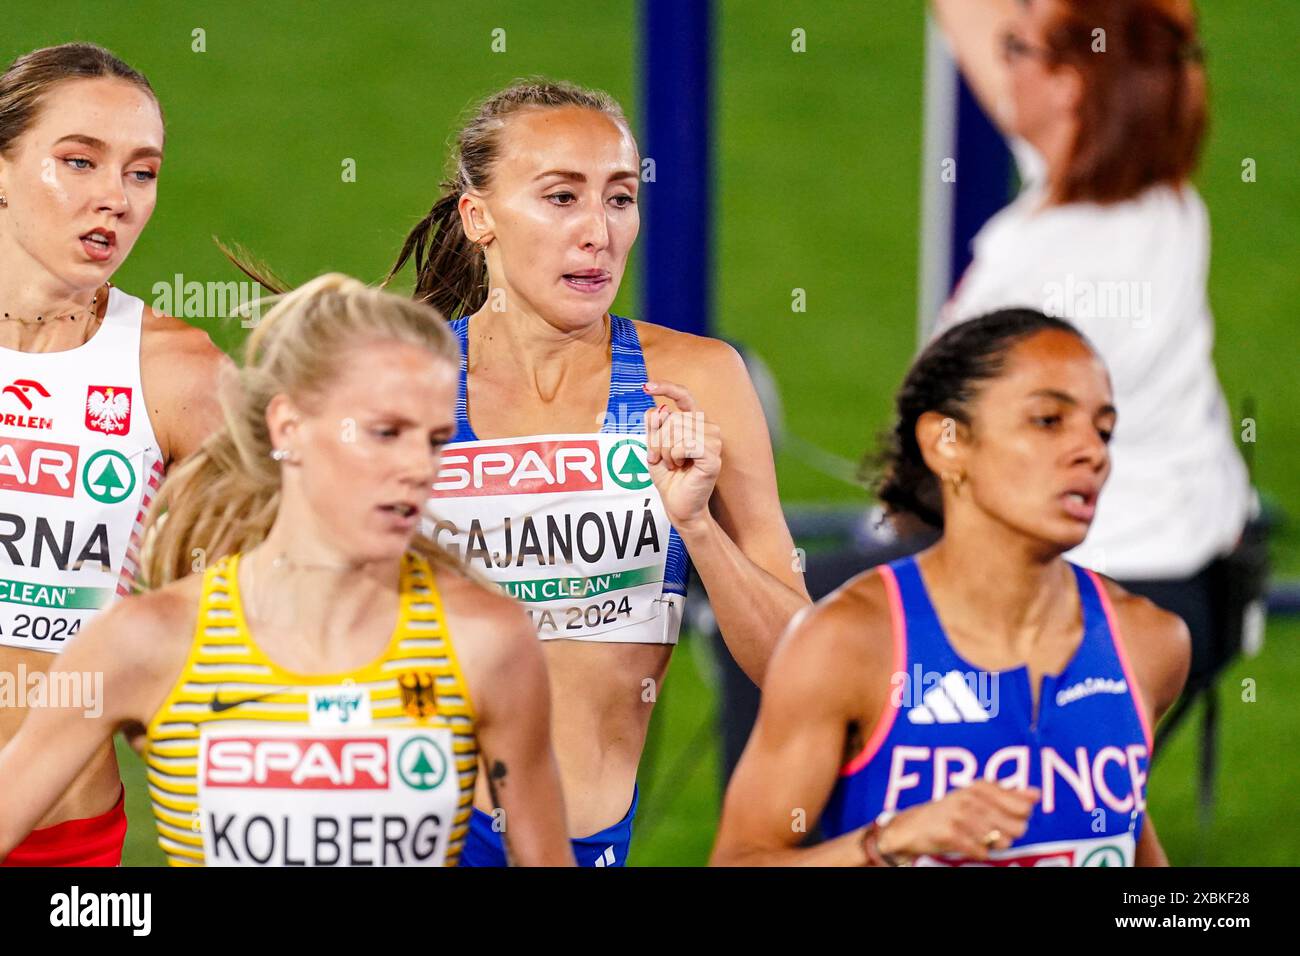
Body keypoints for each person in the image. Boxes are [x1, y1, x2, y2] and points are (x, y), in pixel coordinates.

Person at [0, 275, 574, 867]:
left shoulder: (486, 641)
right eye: (384, 433)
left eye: (434, 441)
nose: (416, 468)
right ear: (288, 427)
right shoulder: (147, 642)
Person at [384, 80, 811, 866]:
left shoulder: (700, 379)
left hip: (584, 842)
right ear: (480, 218)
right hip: (408, 831)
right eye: (560, 197)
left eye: (619, 199)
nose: (598, 233)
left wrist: (697, 529)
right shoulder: (400, 379)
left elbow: (798, 663)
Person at [711, 310, 1190, 866]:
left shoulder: (1149, 643)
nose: (1092, 452)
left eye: (1103, 429)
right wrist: (887, 842)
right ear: (947, 444)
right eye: (1048, 421)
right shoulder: (849, 643)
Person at [930, 0, 1252, 689]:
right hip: (1187, 584)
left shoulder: (1036, 263)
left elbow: (943, 437)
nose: (1003, 58)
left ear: (1067, 87)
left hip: (1077, 601)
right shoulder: (1161, 193)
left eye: (1021, 48)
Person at [0, 42, 228, 866]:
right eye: (78, 161)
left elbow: (278, 591)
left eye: (141, 172)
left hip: (63, 843)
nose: (115, 198)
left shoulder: (180, 372)